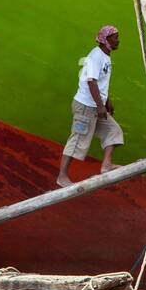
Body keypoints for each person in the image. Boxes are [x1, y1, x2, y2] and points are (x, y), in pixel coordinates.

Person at [57, 25, 124, 187]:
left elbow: (100, 82)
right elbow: (91, 81)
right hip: (86, 108)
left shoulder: (106, 56)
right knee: (77, 139)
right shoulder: (96, 57)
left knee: (113, 131)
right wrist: (100, 106)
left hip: (96, 106)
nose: (118, 40)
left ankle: (106, 165)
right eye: (114, 37)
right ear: (105, 40)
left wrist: (107, 101)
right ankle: (62, 176)